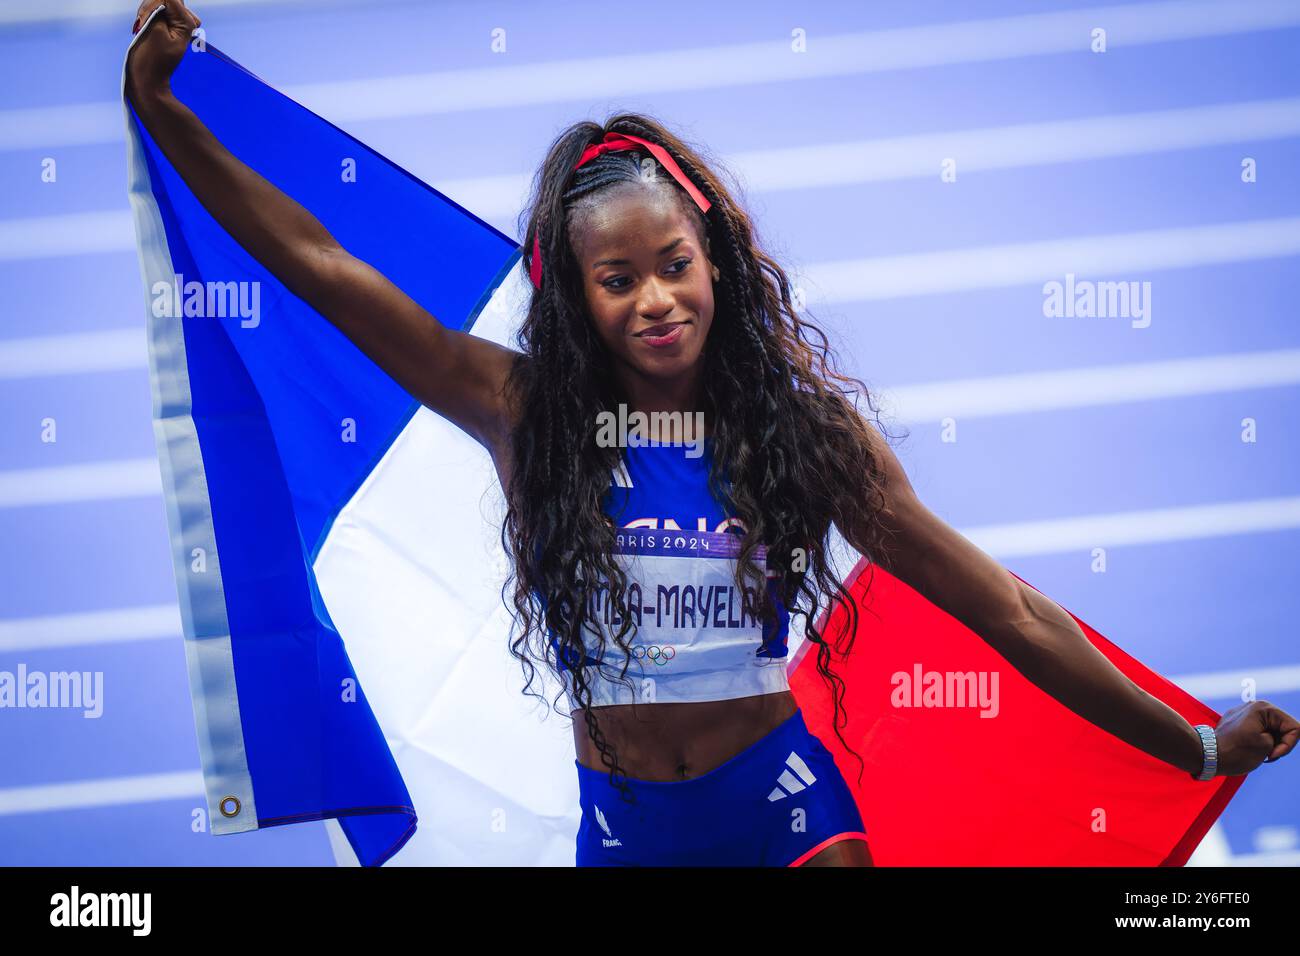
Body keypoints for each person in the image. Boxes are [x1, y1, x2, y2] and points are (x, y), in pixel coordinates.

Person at [127, 0, 1299, 867]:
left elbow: (1008, 608)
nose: (655, 298)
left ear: (717, 265)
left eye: (674, 265)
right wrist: (165, 115)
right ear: (573, 297)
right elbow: (322, 265)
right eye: (617, 277)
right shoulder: (521, 408)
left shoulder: (801, 434)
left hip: (786, 805)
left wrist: (1196, 747)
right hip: (623, 831)